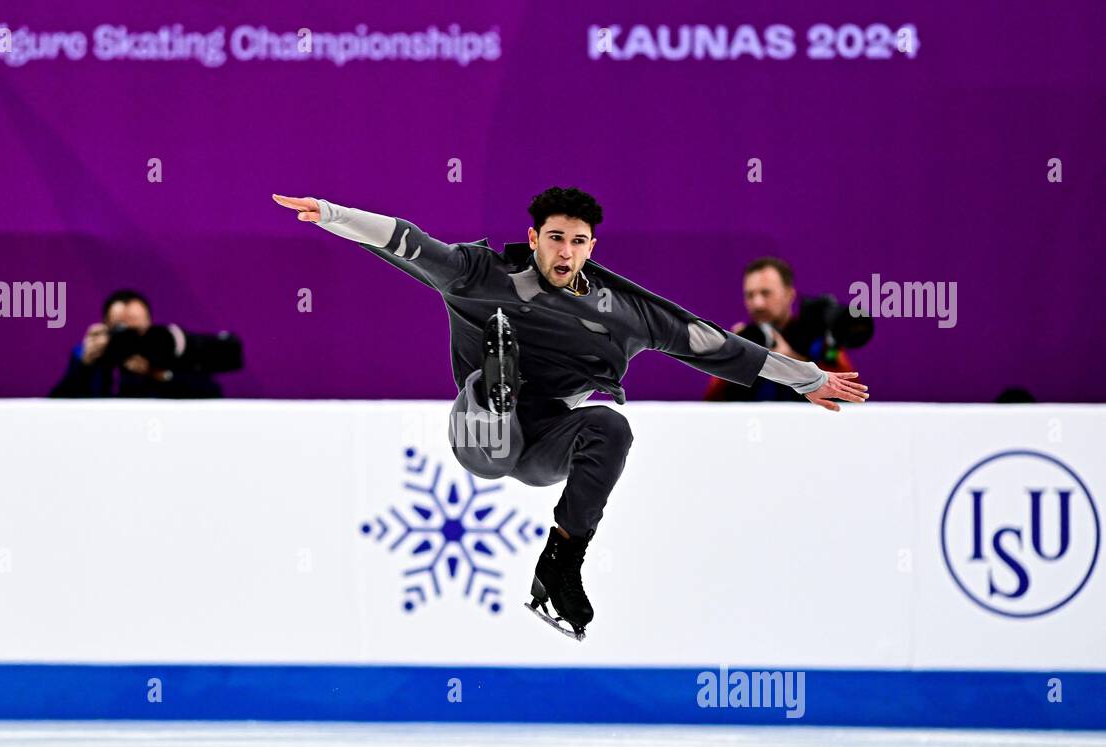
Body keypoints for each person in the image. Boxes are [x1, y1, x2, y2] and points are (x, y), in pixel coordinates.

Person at [273, 188, 867, 638]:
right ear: (533, 237)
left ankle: (562, 561)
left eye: (578, 241)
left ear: (592, 247)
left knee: (611, 425)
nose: (566, 251)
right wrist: (329, 213)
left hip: (542, 446)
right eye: (555, 238)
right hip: (480, 430)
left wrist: (808, 380)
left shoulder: (622, 310)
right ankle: (497, 382)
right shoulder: (483, 274)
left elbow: (715, 344)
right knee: (496, 376)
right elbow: (406, 241)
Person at [705, 257, 866, 402]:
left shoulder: (817, 339)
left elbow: (851, 393)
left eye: (766, 293)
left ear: (789, 294)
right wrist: (730, 356)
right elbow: (712, 402)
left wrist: (793, 362)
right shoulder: (745, 339)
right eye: (750, 295)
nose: (757, 303)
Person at [49, 289, 242, 398]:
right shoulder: (92, 354)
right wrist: (85, 365)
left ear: (150, 324)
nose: (130, 338)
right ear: (105, 326)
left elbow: (211, 392)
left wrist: (158, 374)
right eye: (121, 330)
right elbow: (57, 406)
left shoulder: (164, 349)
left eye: (137, 331)